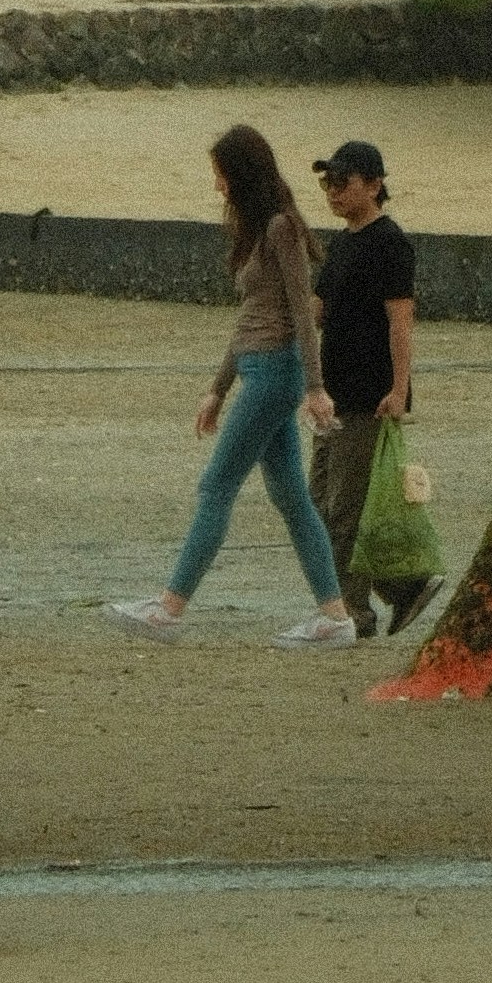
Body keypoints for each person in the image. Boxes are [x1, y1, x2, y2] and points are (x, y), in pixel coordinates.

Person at [104, 124, 351, 644]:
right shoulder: (259, 230)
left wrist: (314, 386)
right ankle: (335, 615)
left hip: (276, 374)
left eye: (221, 175)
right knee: (290, 496)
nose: (217, 186)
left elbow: (303, 315)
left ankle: (170, 608)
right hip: (261, 371)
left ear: (240, 175)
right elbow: (249, 316)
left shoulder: (282, 229)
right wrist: (218, 387)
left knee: (217, 487)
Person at [310, 137, 421, 631]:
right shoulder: (343, 243)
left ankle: (354, 610)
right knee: (318, 503)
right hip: (334, 393)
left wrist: (399, 390)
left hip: (368, 394)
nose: (332, 192)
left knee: (344, 507)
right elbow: (318, 310)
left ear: (374, 185)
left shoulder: (390, 243)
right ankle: (400, 587)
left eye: (342, 182)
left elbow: (401, 320)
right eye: (327, 182)